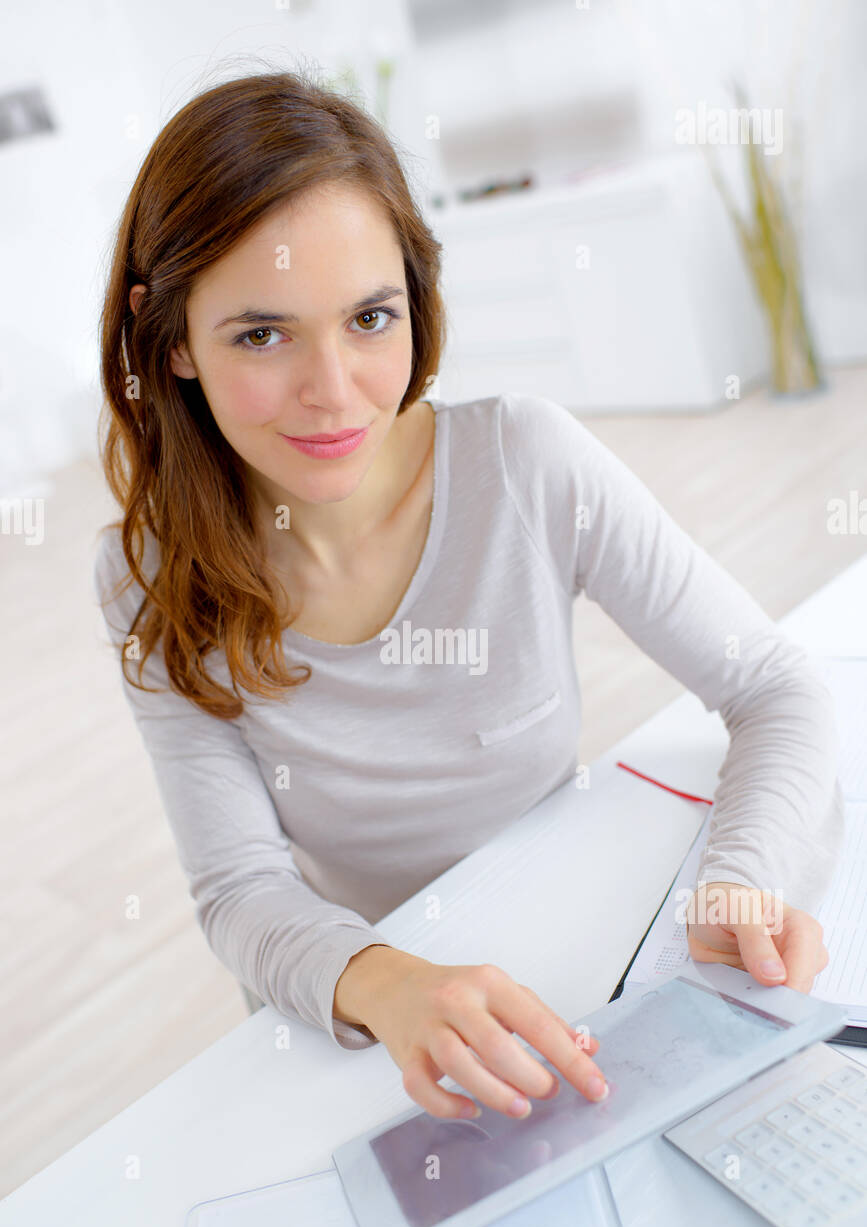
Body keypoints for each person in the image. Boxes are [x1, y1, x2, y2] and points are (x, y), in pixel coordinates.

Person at [94, 70, 842, 1126]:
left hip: (568, 950)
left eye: (369, 317)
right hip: (353, 1016)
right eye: (262, 334)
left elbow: (775, 685)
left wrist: (740, 883)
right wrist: (392, 982)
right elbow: (241, 890)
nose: (334, 389)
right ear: (169, 339)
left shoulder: (527, 463)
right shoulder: (144, 576)